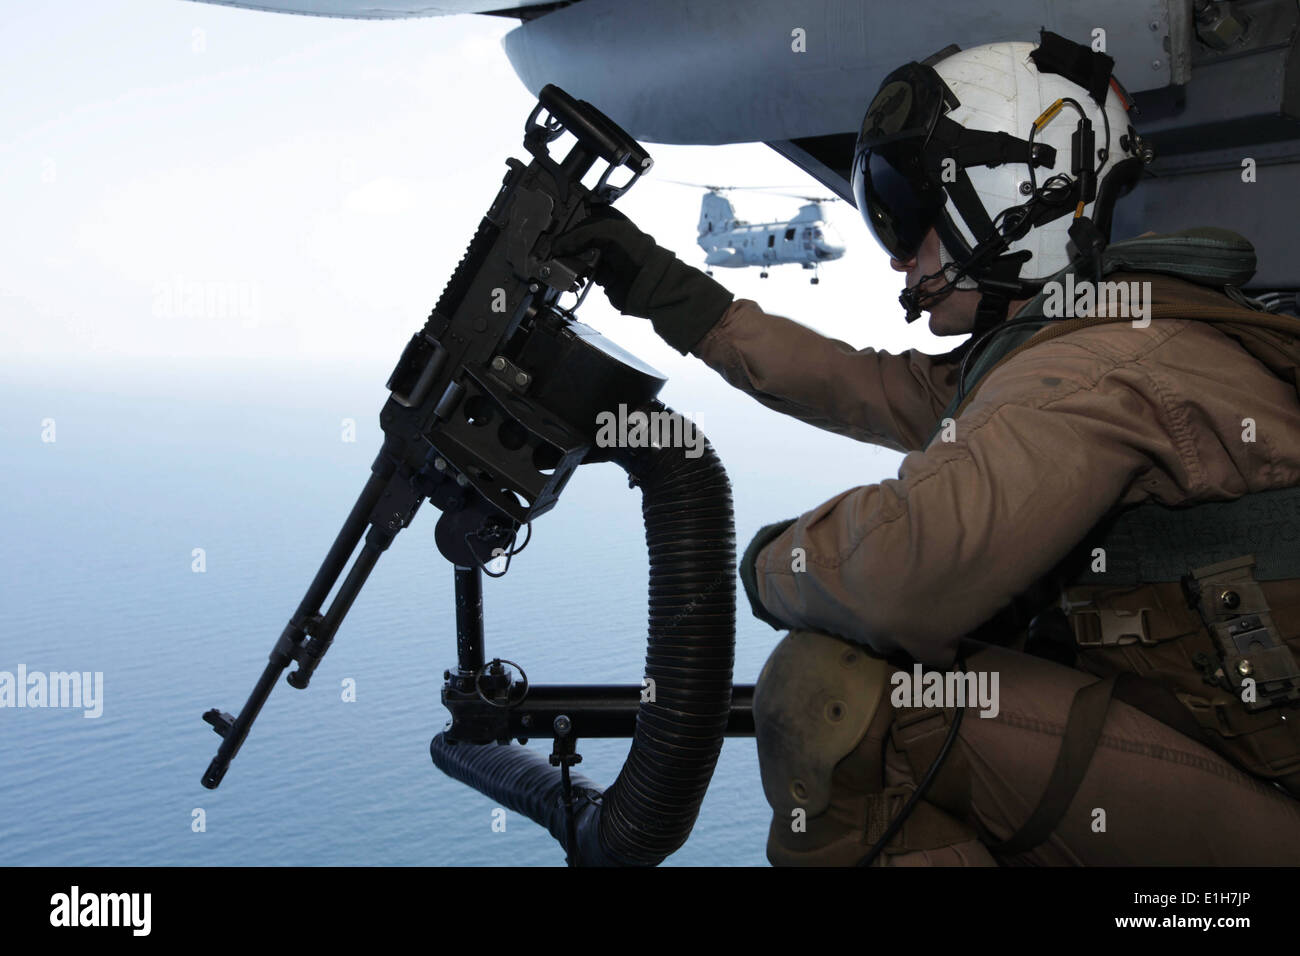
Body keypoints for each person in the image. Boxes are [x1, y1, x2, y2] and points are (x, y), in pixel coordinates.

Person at [551, 31, 1300, 865]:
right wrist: (655, 286)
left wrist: (767, 564)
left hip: (1270, 790)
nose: (901, 254)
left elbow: (898, 580)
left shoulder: (1097, 368)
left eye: (910, 218)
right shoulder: (1074, 341)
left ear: (1021, 200)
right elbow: (858, 385)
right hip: (1225, 738)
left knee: (829, 694)